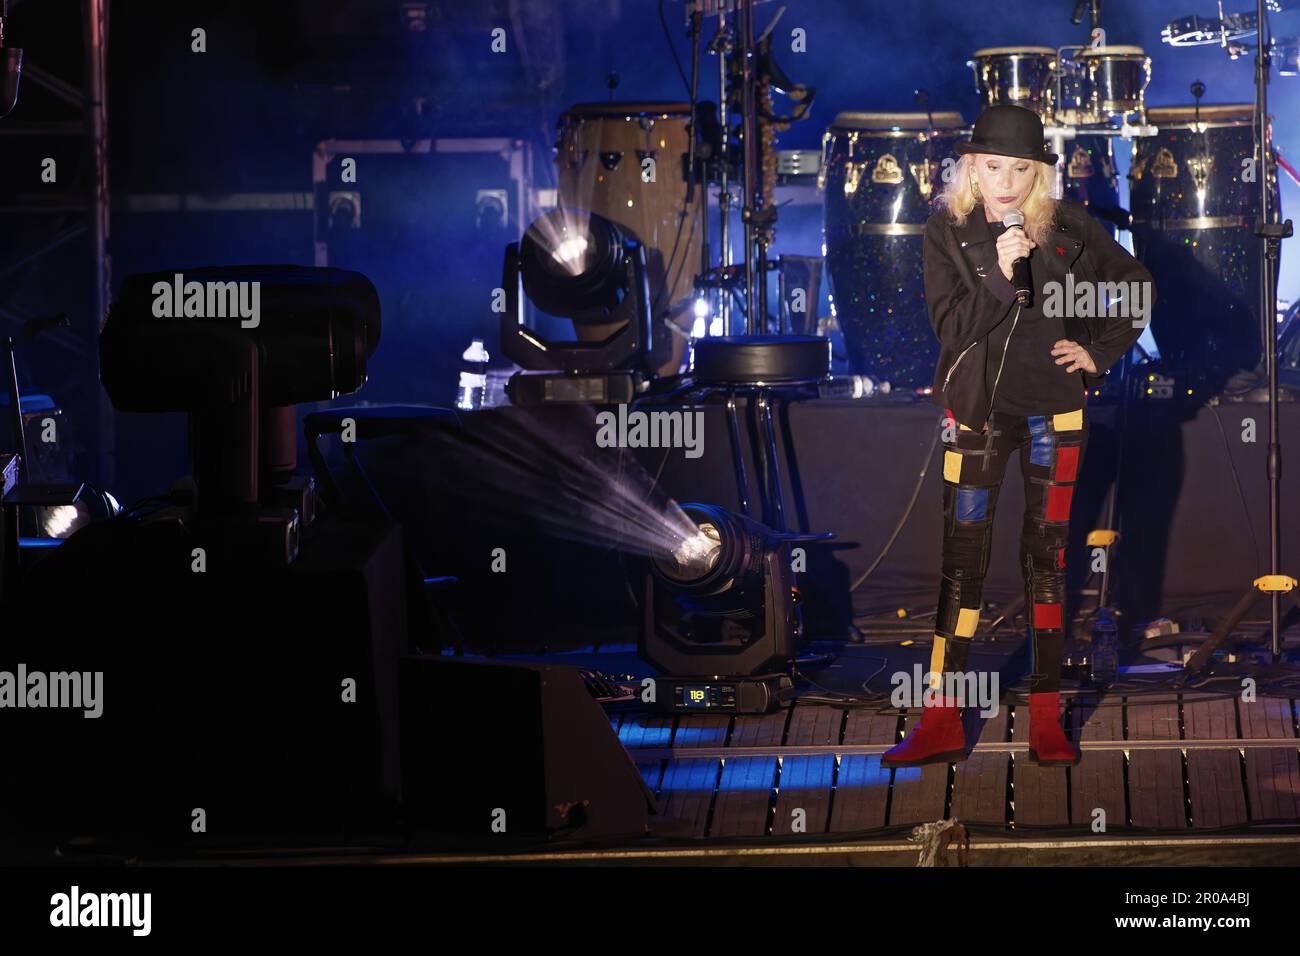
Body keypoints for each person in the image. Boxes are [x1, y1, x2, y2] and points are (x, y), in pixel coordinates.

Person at [882, 105, 1153, 767]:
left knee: (1047, 564)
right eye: (993, 165)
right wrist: (1004, 276)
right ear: (972, 165)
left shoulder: (1066, 227)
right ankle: (942, 716)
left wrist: (1100, 350)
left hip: (1053, 416)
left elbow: (1136, 285)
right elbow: (952, 328)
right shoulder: (946, 229)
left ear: (1038, 172)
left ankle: (1046, 716)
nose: (1005, 180)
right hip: (975, 415)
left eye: (1020, 168)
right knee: (962, 564)